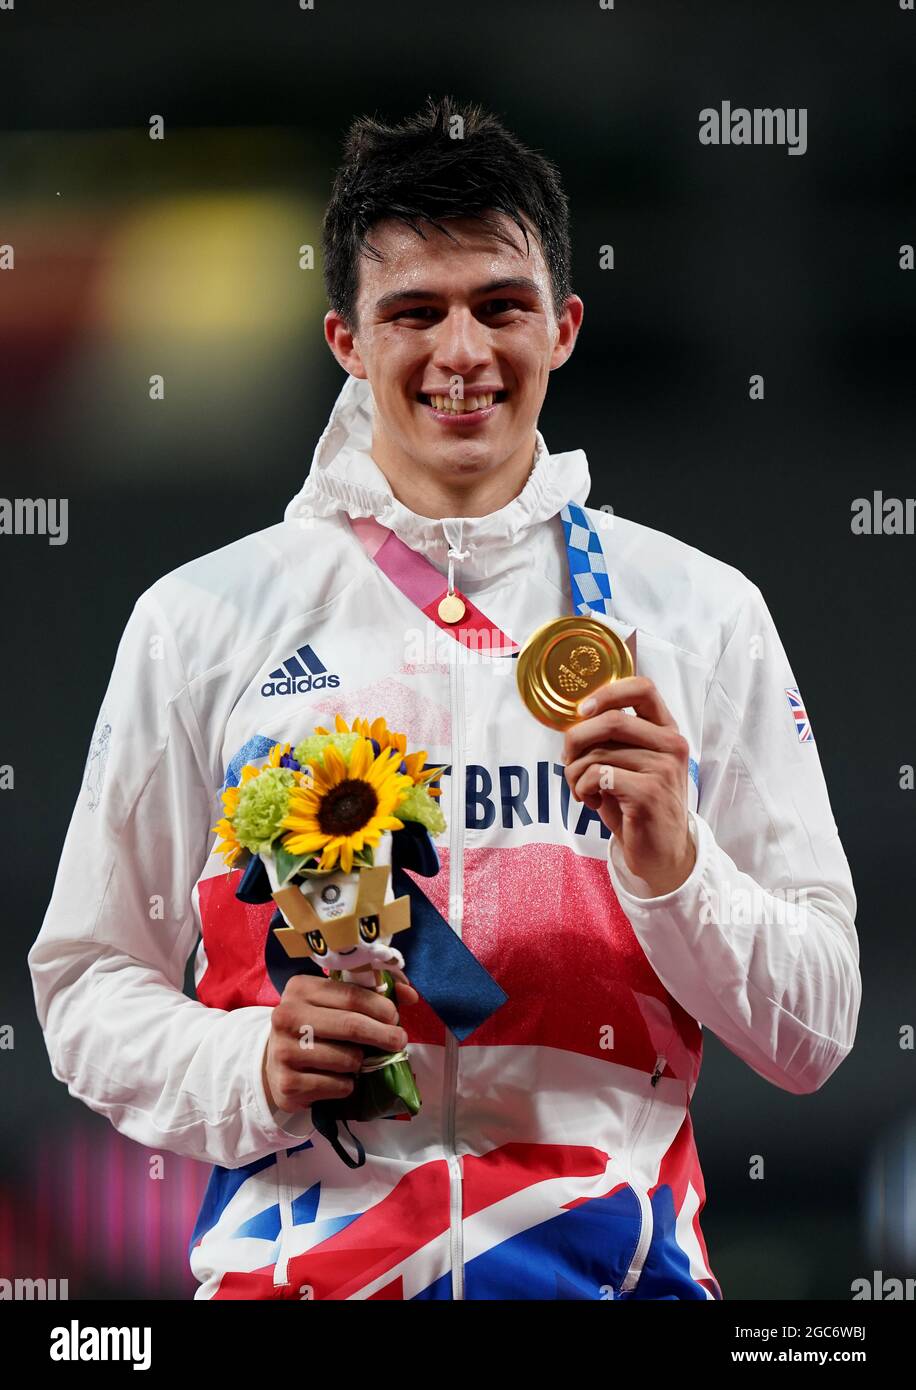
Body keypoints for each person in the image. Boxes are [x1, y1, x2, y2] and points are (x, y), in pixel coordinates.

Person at [28, 95, 860, 1301]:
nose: (461, 353)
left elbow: (815, 1032)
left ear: (563, 326)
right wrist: (248, 1059)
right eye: (414, 312)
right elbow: (89, 982)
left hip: (619, 1281)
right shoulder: (203, 621)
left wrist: (681, 868)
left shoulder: (696, 613)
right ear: (346, 344)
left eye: (501, 308)